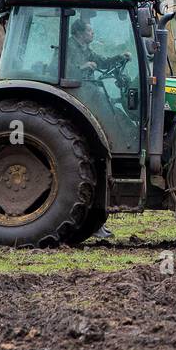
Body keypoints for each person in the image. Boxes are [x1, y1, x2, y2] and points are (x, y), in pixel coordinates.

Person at [66, 17, 131, 240]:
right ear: (80, 32)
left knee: (115, 110)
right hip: (77, 92)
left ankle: (95, 224)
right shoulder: (69, 47)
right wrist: (82, 67)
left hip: (86, 91)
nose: (93, 34)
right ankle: (124, 142)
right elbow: (64, 67)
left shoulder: (85, 47)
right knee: (113, 114)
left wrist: (118, 58)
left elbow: (102, 62)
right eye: (90, 30)